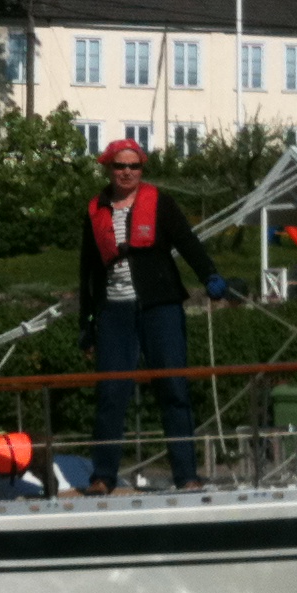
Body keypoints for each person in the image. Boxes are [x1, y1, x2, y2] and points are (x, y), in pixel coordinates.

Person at [77, 140, 228, 493]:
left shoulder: (161, 203)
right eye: (119, 166)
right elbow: (87, 271)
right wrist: (86, 324)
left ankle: (186, 475)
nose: (127, 172)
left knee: (174, 388)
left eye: (134, 166)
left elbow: (188, 242)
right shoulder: (95, 209)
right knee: (111, 394)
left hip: (161, 308)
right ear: (108, 169)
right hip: (114, 313)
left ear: (142, 169)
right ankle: (103, 475)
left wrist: (209, 275)